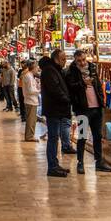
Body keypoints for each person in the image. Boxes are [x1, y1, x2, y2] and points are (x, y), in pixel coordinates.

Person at [65, 49, 111, 174]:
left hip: (96, 108)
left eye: (83, 60)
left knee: (97, 136)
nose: (82, 63)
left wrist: (102, 101)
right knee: (82, 137)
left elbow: (97, 86)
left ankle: (99, 162)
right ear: (75, 61)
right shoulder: (71, 72)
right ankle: (80, 163)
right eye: (79, 61)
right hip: (83, 109)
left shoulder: (92, 68)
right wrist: (82, 83)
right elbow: (70, 88)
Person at [39, 48, 72, 177]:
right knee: (53, 138)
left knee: (54, 138)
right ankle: (52, 167)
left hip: (57, 109)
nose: (65, 61)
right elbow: (55, 89)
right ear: (56, 59)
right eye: (63, 59)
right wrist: (67, 100)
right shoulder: (49, 71)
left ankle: (55, 164)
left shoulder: (54, 70)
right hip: (54, 109)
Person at [20, 58, 40, 142]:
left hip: (31, 100)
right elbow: (30, 90)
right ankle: (29, 136)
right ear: (33, 67)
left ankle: (30, 135)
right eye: (36, 67)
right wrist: (39, 90)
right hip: (30, 100)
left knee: (32, 120)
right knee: (31, 120)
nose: (37, 69)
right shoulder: (28, 76)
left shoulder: (30, 75)